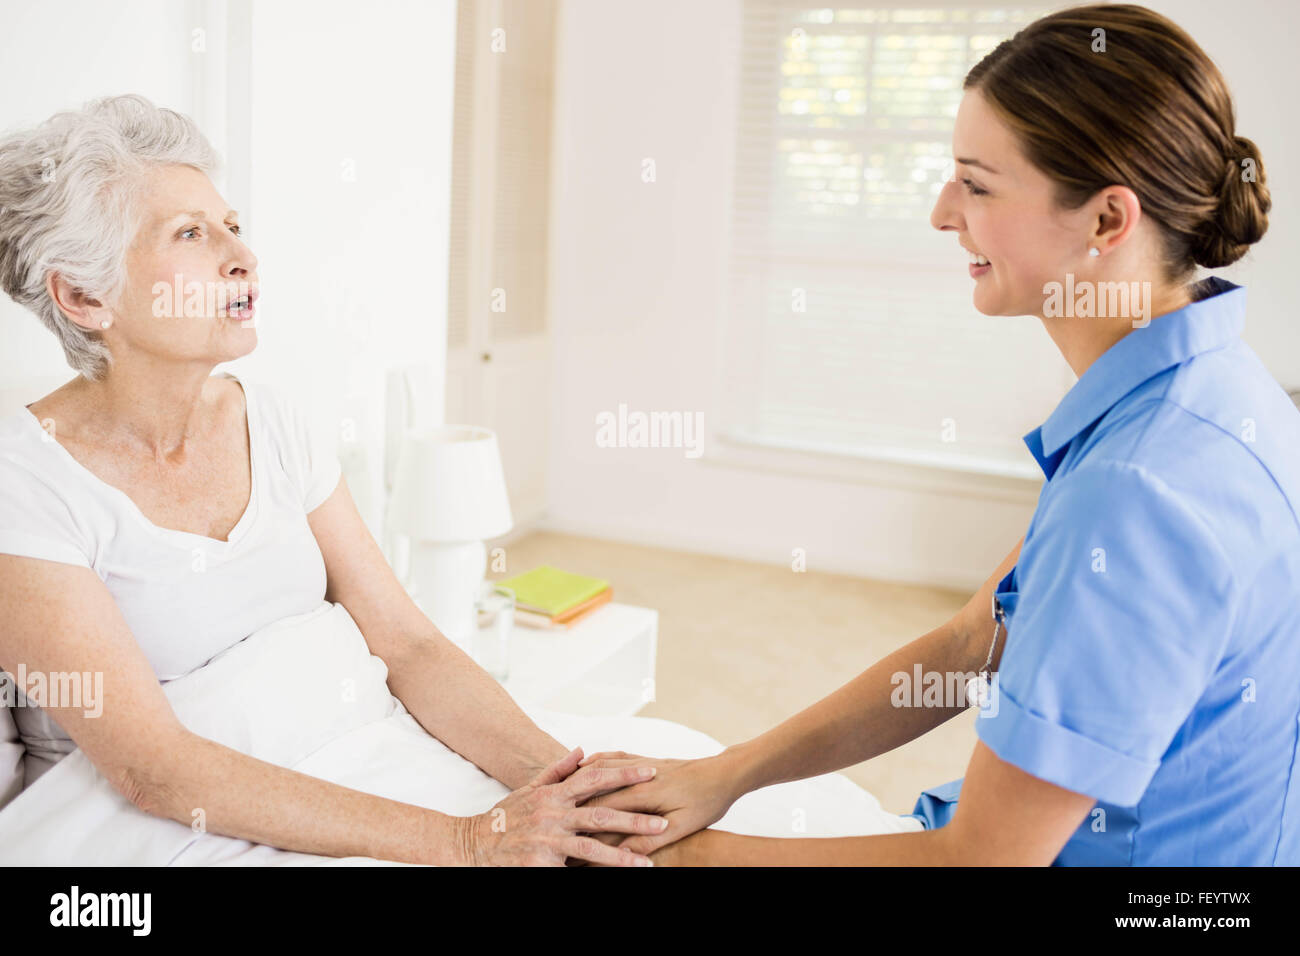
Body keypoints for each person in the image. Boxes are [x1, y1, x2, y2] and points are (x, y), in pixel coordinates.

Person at [581, 3, 1300, 866]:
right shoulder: (1216, 389)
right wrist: (726, 776)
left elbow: (981, 865)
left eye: (978, 184)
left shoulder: (1137, 490)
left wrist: (669, 856)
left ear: (1107, 222)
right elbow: (975, 641)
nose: (940, 212)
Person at [0, 94, 667, 866]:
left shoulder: (274, 420)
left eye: (233, 227)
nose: (241, 256)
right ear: (84, 297)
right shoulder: (26, 484)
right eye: (190, 233)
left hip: (354, 749)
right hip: (154, 829)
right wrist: (467, 841)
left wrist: (560, 785)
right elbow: (155, 771)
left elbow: (410, 646)